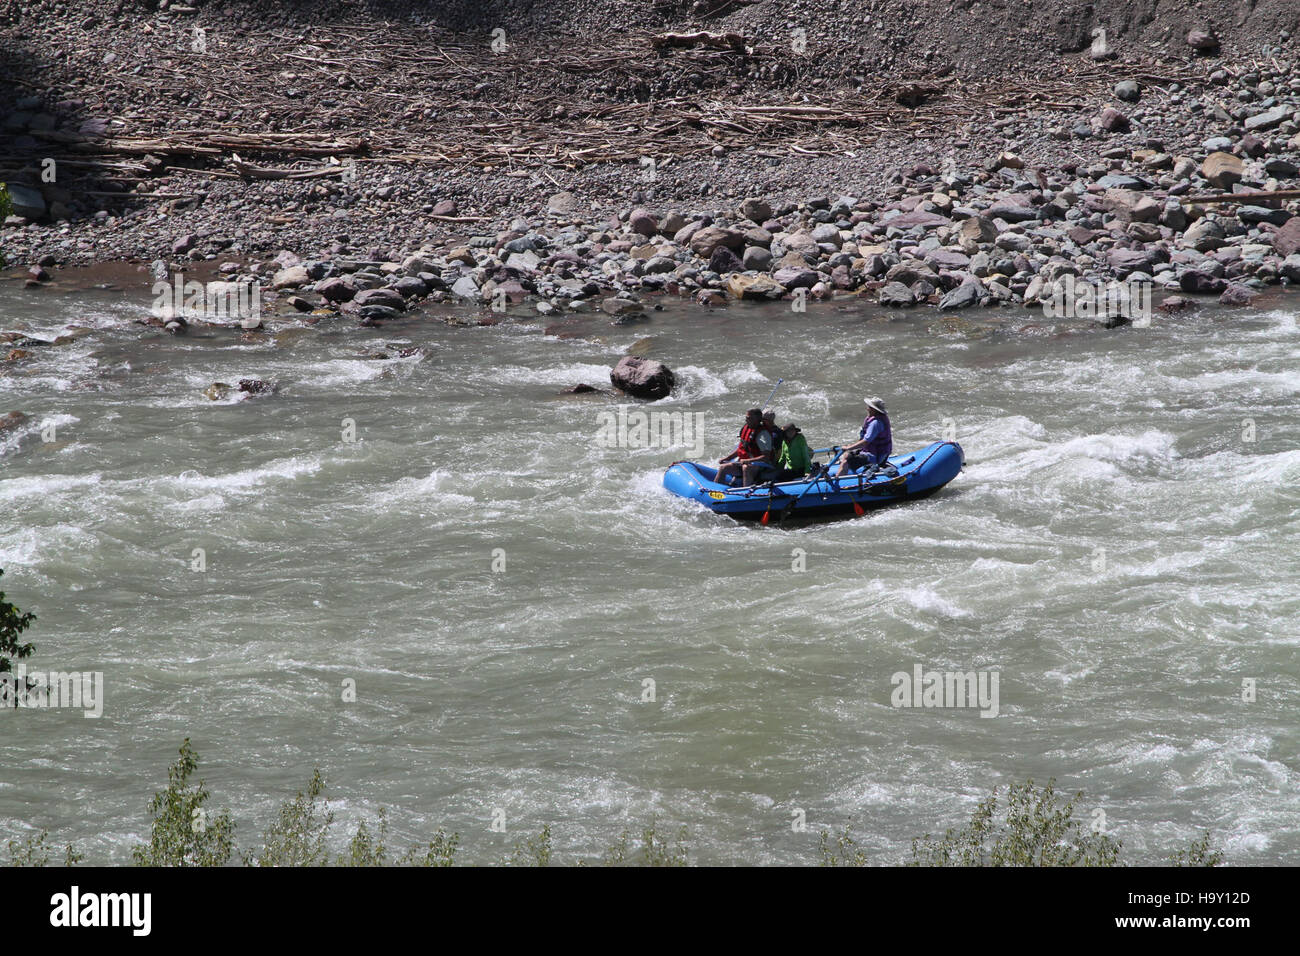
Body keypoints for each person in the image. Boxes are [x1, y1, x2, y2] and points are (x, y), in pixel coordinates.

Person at [835, 397, 893, 476]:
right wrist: (851, 447)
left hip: (874, 456)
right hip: (874, 452)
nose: (867, 409)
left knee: (847, 459)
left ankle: (837, 481)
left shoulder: (875, 423)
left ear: (874, 410)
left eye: (869, 407)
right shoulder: (878, 419)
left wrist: (849, 448)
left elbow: (865, 442)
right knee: (847, 454)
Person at [716, 408, 767, 486]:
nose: (746, 420)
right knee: (723, 468)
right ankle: (715, 492)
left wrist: (748, 460)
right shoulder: (746, 429)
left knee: (746, 468)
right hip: (743, 462)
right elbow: (741, 449)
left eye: (749, 418)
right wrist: (728, 458)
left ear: (757, 419)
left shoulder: (763, 435)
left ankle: (746, 493)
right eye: (746, 418)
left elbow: (765, 457)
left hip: (759, 465)